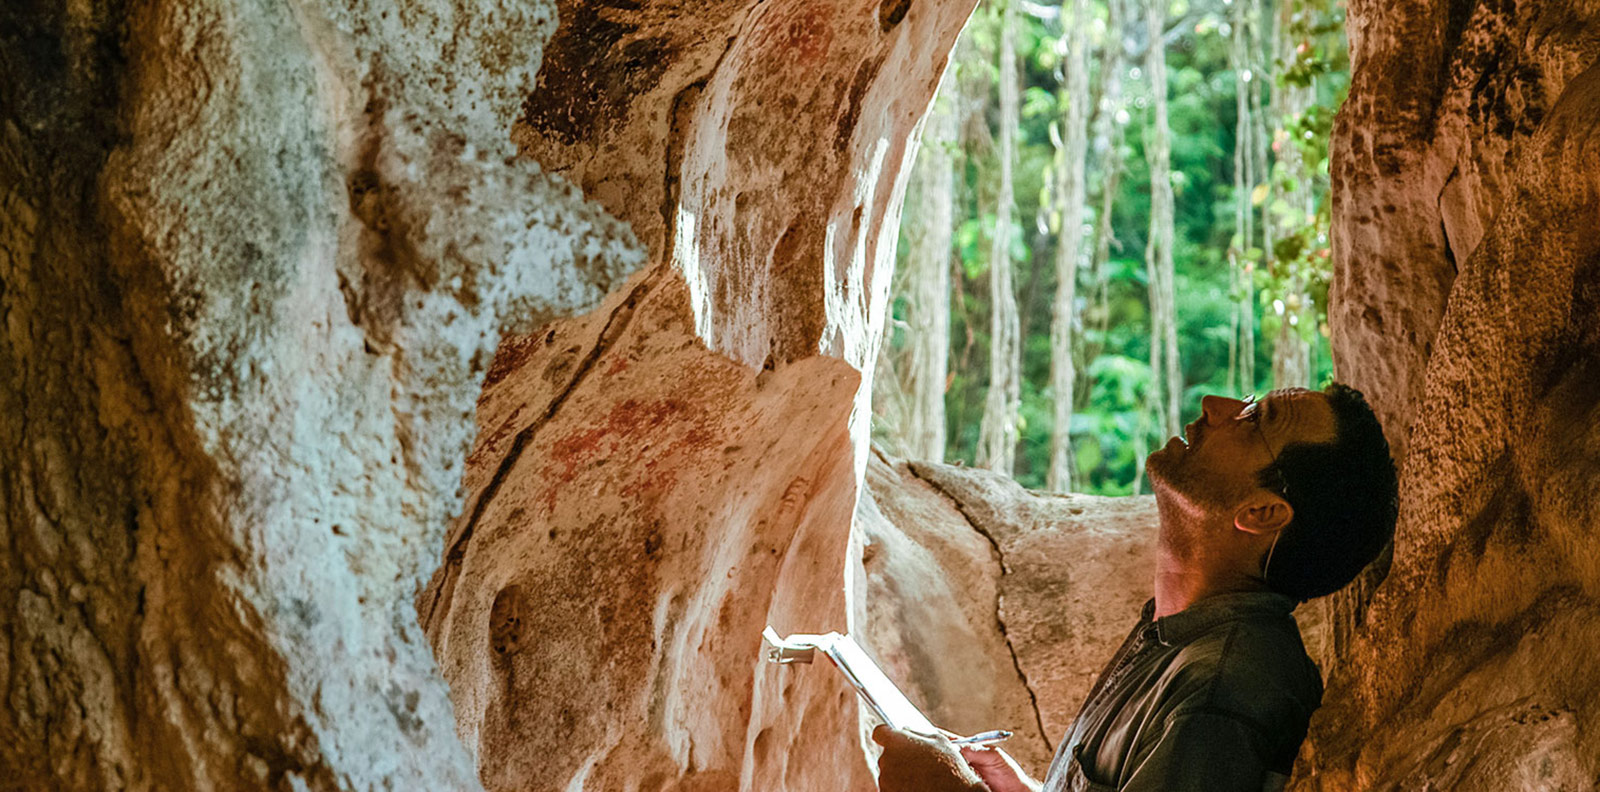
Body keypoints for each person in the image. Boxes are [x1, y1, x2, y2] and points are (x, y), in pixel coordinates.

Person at [873, 384, 1398, 792]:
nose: (1216, 404)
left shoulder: (1223, 689)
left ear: (1260, 512)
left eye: (1255, 418)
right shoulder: (1178, 637)